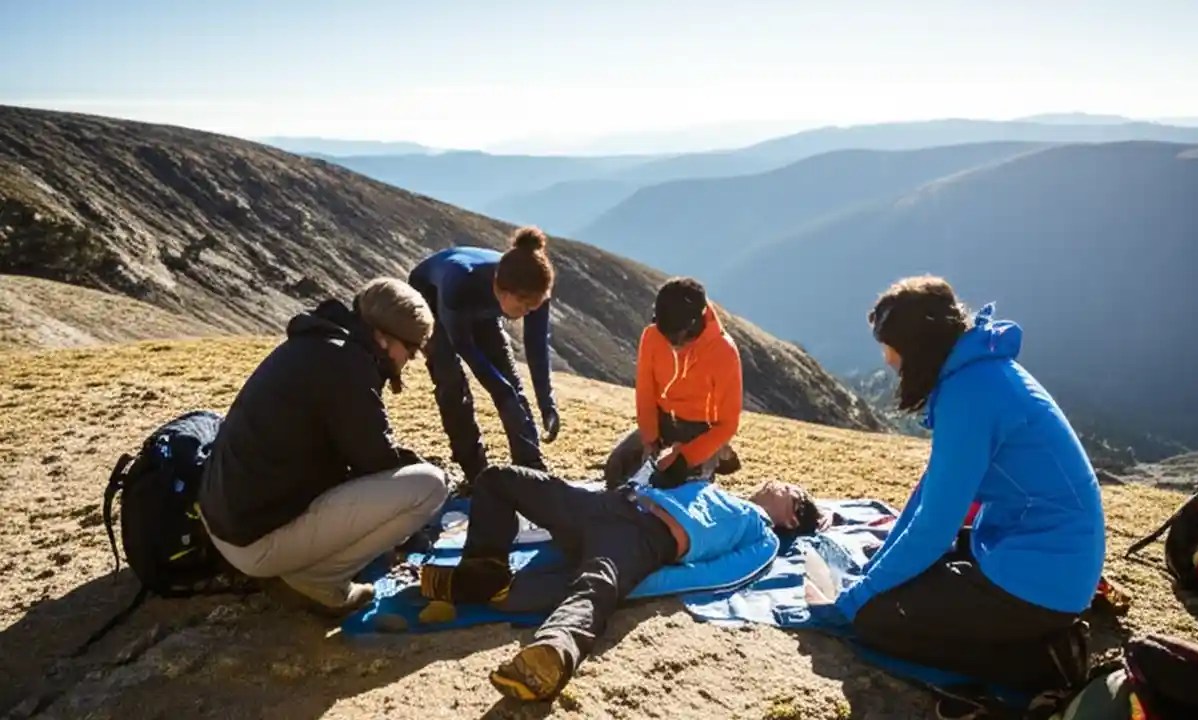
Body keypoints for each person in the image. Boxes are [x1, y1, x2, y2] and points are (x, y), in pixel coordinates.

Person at [835, 276, 1104, 704]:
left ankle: (1042, 662)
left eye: (891, 347)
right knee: (896, 582)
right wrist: (874, 570)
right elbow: (929, 494)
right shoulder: (976, 373)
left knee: (875, 620)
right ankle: (1028, 637)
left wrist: (859, 600)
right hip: (1044, 558)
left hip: (1041, 582)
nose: (887, 359)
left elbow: (935, 527)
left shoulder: (970, 396)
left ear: (918, 346)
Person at [419, 466, 825, 702]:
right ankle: (482, 574)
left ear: (791, 517)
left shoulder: (763, 535)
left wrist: (637, 580)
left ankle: (552, 655)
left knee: (595, 587)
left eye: (788, 491)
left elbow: (718, 575)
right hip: (608, 504)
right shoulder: (720, 491)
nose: (777, 483)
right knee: (499, 480)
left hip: (642, 539)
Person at [198, 278, 450, 614]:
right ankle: (319, 579)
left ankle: (304, 562)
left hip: (225, 521)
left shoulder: (318, 343)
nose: (410, 360)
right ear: (383, 338)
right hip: (254, 544)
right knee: (430, 486)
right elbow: (375, 461)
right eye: (411, 350)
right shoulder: (348, 367)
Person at [408, 227, 559, 482]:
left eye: (533, 307)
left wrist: (547, 404)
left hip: (480, 306)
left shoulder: (533, 291)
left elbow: (536, 348)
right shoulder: (460, 282)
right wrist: (501, 391)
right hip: (433, 298)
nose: (527, 313)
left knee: (510, 383)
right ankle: (474, 470)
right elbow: (463, 346)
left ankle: (530, 466)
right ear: (503, 291)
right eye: (524, 306)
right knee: (451, 382)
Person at [604, 277, 743, 490]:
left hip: (700, 432)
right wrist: (650, 440)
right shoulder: (652, 335)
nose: (670, 344)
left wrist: (684, 459)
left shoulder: (724, 351)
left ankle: (716, 458)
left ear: (695, 324)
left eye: (676, 338)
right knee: (616, 469)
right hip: (662, 421)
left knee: (671, 484)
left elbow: (727, 424)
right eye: (665, 335)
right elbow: (646, 393)